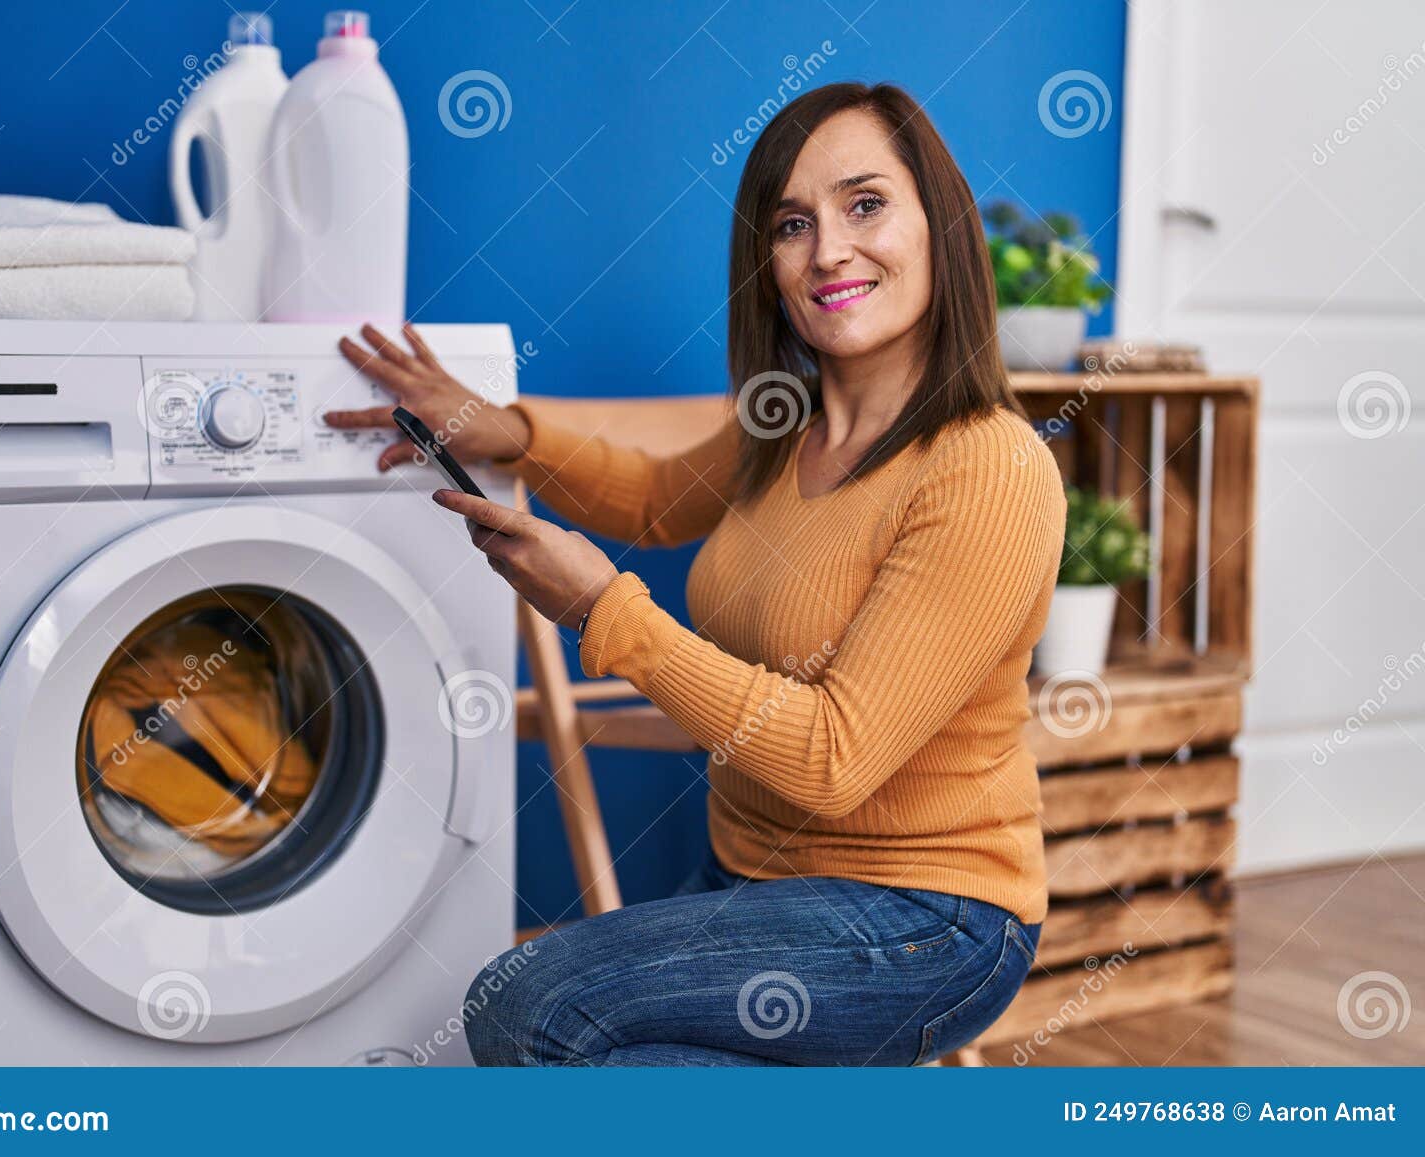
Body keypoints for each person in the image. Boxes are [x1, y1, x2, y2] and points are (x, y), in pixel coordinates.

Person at [324, 81, 1067, 1067]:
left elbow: (834, 759)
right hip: (756, 886)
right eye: (792, 223)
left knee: (523, 997)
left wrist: (600, 605)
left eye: (866, 204)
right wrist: (500, 428)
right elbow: (655, 497)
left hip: (929, 918)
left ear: (942, 225)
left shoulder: (987, 467)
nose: (828, 250)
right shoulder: (785, 425)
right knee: (620, 1070)